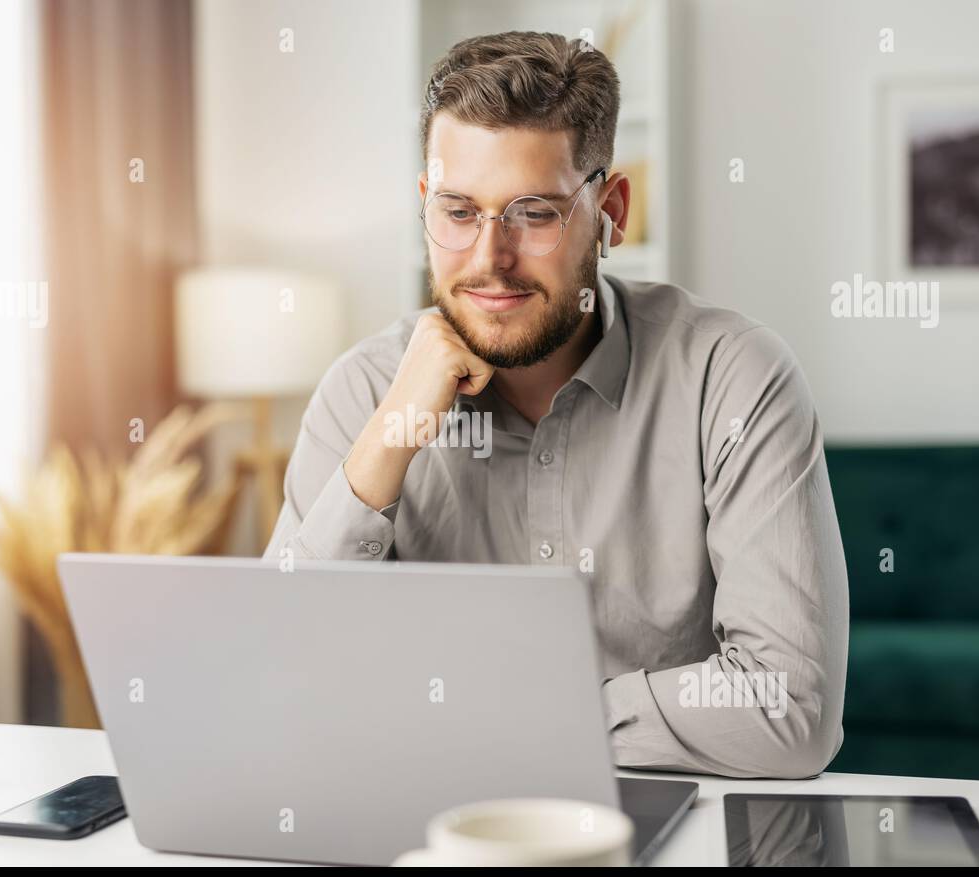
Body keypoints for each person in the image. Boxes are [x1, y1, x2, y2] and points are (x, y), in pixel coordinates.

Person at [264, 31, 848, 778]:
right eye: (458, 211)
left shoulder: (733, 380)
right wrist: (390, 434)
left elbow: (789, 707)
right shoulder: (362, 390)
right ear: (424, 206)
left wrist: (515, 718)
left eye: (533, 212)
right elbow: (280, 683)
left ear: (611, 210)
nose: (488, 258)